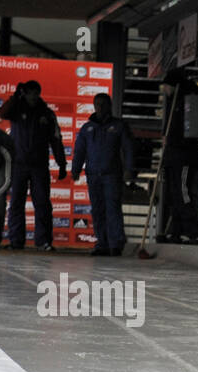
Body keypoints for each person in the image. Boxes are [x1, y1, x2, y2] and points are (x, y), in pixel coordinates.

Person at [0, 79, 68, 251]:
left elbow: (56, 139)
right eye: (30, 93)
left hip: (39, 166)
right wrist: (15, 96)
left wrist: (62, 163)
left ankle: (43, 241)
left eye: (37, 93)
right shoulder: (16, 109)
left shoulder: (47, 114)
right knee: (16, 203)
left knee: (42, 202)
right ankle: (16, 241)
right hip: (18, 164)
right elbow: (2, 113)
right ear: (25, 93)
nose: (34, 96)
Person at [71, 93, 135, 256]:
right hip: (93, 175)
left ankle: (116, 243)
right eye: (97, 104)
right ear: (94, 105)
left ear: (109, 106)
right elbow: (80, 150)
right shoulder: (87, 128)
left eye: (103, 104)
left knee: (112, 208)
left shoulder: (119, 126)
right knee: (97, 210)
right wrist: (76, 169)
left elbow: (128, 148)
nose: (100, 107)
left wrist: (129, 169)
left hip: (111, 174)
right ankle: (102, 243)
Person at [158, 67, 198, 243]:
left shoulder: (186, 101)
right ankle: (176, 230)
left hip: (184, 156)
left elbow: (190, 132)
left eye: (167, 86)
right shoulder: (171, 103)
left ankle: (191, 229)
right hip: (172, 155)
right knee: (173, 192)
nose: (165, 90)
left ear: (175, 86)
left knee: (182, 192)